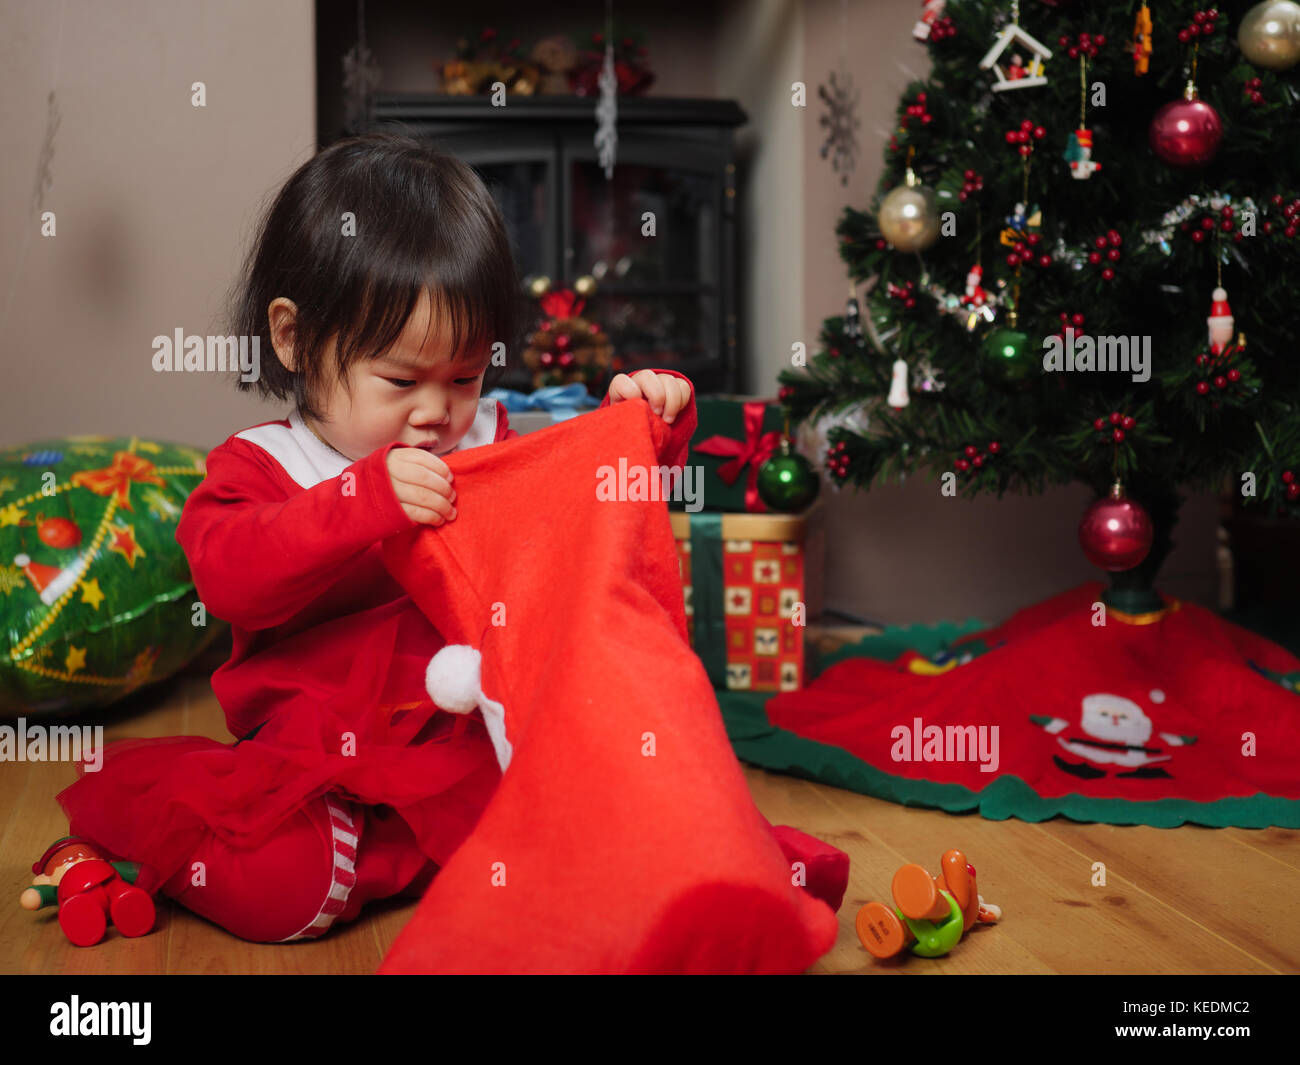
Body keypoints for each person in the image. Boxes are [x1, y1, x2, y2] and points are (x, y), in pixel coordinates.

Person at [52, 132, 693, 944]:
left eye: (464, 376)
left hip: (465, 736)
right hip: (318, 755)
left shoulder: (487, 437)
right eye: (401, 380)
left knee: (623, 809)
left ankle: (428, 853)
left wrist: (645, 427)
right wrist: (359, 501)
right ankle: (201, 834)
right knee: (282, 884)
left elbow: (586, 499)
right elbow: (229, 577)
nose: (436, 411)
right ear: (293, 339)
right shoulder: (265, 464)